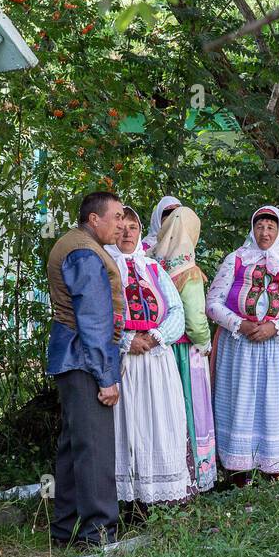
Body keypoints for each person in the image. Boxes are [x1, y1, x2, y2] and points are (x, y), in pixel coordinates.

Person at [206, 206, 279, 476]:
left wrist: (276, 327)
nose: (264, 232)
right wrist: (240, 324)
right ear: (252, 230)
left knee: (274, 406)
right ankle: (238, 469)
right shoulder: (236, 260)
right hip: (240, 348)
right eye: (259, 226)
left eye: (270, 227)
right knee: (241, 403)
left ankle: (276, 467)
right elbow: (212, 304)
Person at [45, 191, 125, 547]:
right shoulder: (84, 252)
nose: (122, 224)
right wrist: (106, 377)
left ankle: (66, 530)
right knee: (94, 448)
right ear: (95, 219)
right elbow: (93, 320)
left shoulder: (78, 245)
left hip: (73, 357)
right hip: (83, 358)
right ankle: (98, 535)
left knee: (75, 446)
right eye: (117, 216)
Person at [105, 207, 191, 505]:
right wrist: (126, 340)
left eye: (133, 226)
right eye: (122, 226)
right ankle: (127, 498)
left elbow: (177, 310)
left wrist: (156, 337)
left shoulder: (153, 268)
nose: (127, 232)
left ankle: (158, 497)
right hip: (125, 360)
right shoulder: (105, 266)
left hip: (157, 359)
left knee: (160, 421)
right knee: (129, 423)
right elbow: (96, 314)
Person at [151, 206, 217, 493]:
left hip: (161, 350)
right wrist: (205, 344)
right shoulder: (187, 269)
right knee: (191, 409)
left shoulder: (151, 260)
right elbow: (194, 319)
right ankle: (195, 475)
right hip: (185, 352)